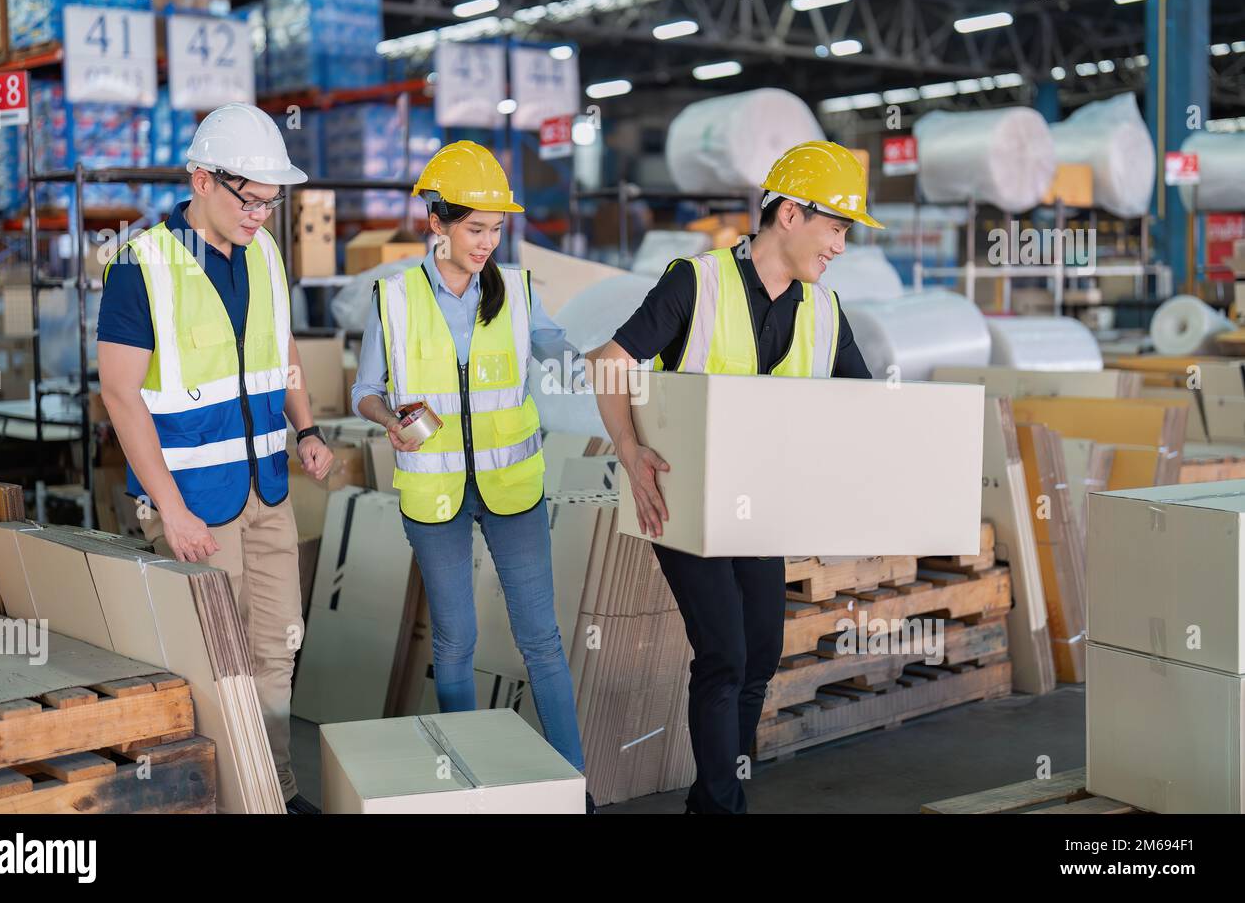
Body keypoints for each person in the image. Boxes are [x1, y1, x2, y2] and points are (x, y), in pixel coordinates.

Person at [590, 141, 882, 814]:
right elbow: (609, 362)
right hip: (686, 502)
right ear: (787, 214)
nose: (841, 245)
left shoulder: (825, 312)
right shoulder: (697, 282)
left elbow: (864, 411)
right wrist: (630, 451)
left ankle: (718, 792)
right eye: (836, 227)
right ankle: (723, 807)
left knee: (759, 655)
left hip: (760, 509)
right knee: (722, 653)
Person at [97, 102, 333, 815]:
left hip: (266, 493)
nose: (264, 215)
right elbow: (120, 395)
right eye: (252, 199)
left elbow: (281, 350)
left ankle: (276, 792)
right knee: (213, 668)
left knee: (275, 651)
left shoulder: (262, 252)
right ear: (202, 181)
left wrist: (308, 429)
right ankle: (226, 802)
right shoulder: (141, 266)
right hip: (194, 504)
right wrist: (170, 510)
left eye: (272, 201)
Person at [351, 140, 595, 813]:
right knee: (456, 641)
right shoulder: (393, 295)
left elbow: (559, 350)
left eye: (496, 229)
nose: (488, 242)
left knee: (540, 638)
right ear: (439, 222)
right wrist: (386, 418)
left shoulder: (515, 291)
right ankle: (470, 785)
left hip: (511, 488)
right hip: (434, 492)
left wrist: (602, 357)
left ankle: (574, 787)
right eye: (475, 228)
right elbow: (364, 389)